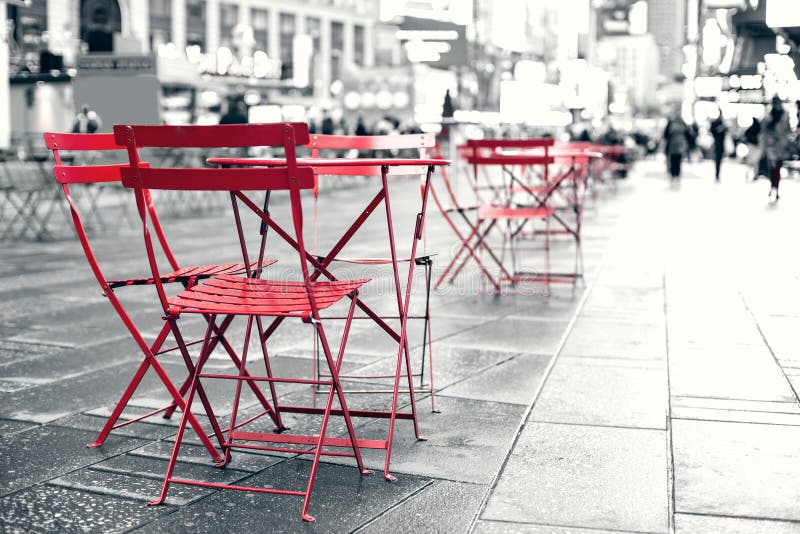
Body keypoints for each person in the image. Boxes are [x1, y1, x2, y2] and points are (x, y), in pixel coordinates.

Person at [762, 95, 792, 201]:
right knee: (772, 169)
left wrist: (787, 142)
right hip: (771, 147)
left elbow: (788, 130)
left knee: (777, 169)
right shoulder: (768, 116)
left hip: (781, 146)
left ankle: (776, 189)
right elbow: (764, 131)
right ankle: (772, 187)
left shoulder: (785, 115)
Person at [663, 111, 690, 180]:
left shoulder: (682, 124)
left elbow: (688, 134)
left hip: (679, 144)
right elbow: (665, 134)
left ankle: (676, 173)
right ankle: (674, 173)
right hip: (673, 144)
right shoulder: (672, 123)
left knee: (678, 158)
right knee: (673, 158)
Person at [709, 113, 727, 182]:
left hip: (720, 145)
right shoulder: (716, 124)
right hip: (717, 144)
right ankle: (717, 175)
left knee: (719, 160)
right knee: (717, 160)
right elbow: (712, 131)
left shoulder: (722, 124)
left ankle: (717, 175)